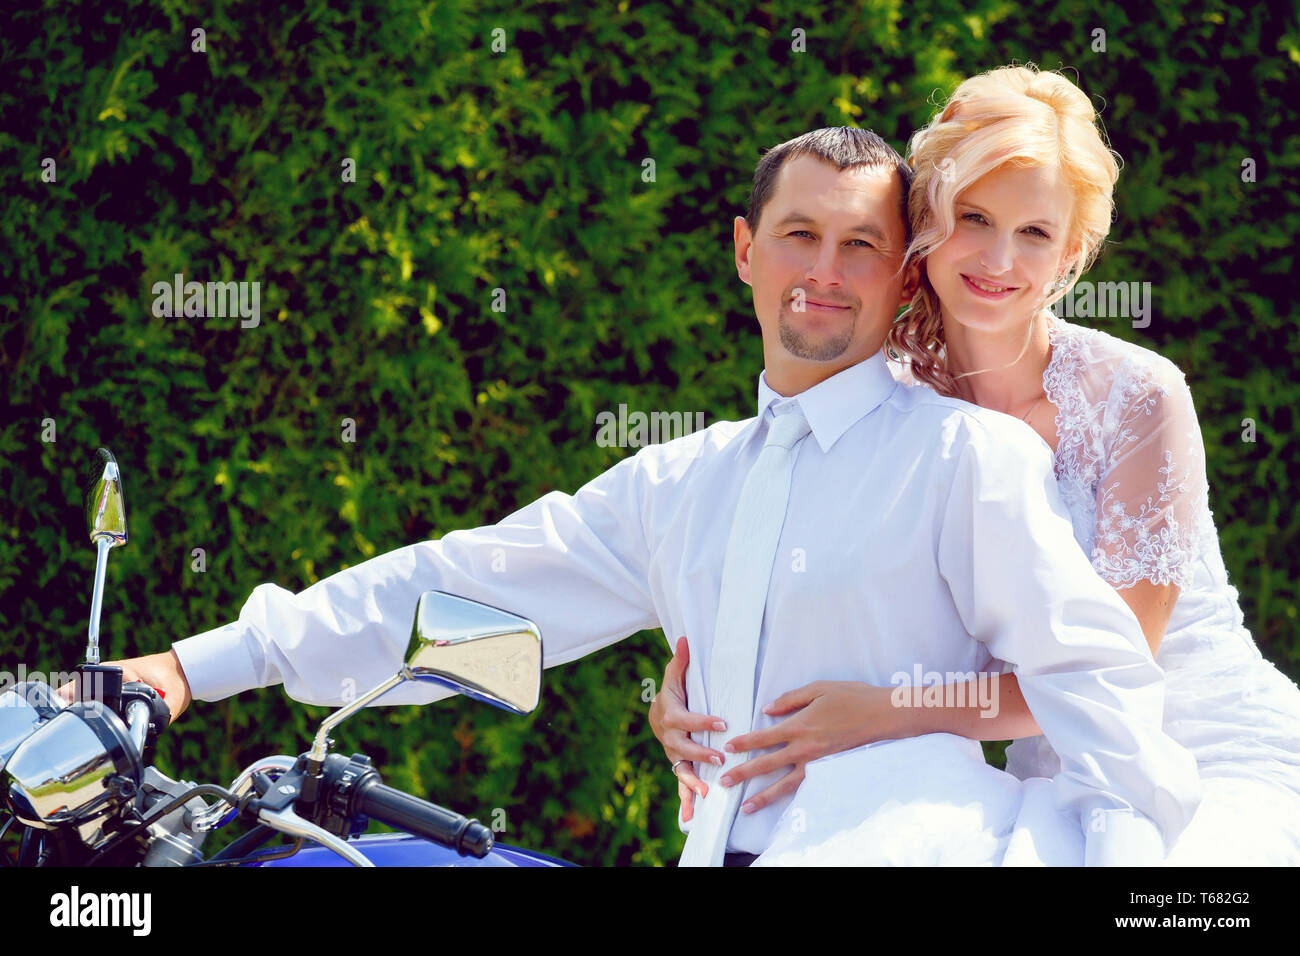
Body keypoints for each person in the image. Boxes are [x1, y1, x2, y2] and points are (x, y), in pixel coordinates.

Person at [85, 126, 1200, 866]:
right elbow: (466, 589)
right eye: (800, 233)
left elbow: (1092, 675)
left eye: (863, 243)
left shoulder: (966, 457)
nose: (827, 266)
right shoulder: (682, 478)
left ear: (903, 271)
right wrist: (197, 665)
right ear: (744, 252)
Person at [652, 66, 1300, 865]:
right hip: (1038, 773)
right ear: (928, 219)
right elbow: (790, 562)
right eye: (975, 217)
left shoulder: (1139, 399)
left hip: (1201, 762)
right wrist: (695, 700)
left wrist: (890, 711)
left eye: (1034, 233)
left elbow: (1106, 684)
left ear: (1072, 250)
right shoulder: (886, 396)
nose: (998, 258)